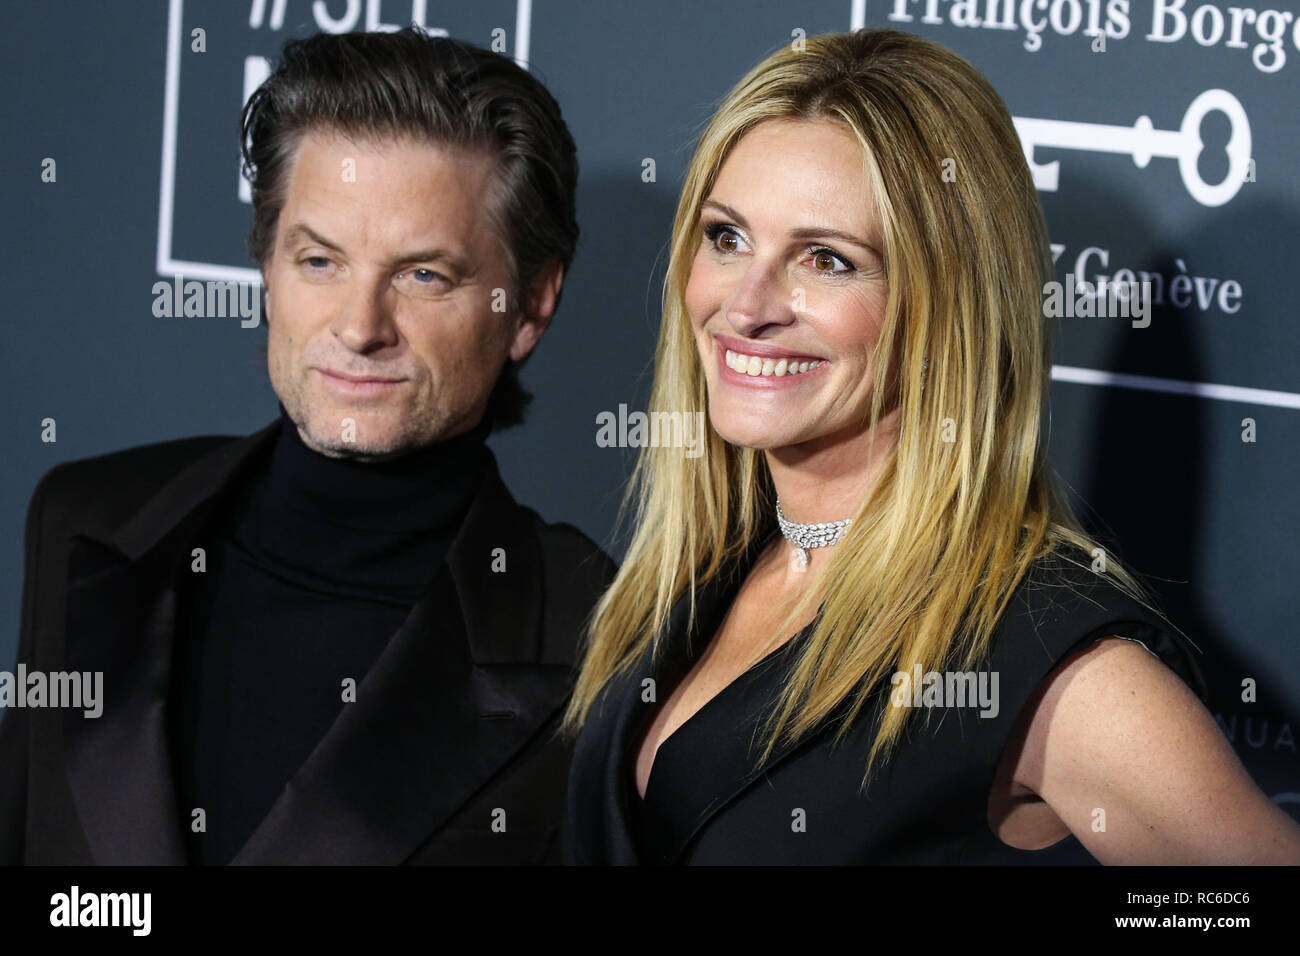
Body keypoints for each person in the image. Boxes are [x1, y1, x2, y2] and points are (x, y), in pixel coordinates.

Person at [560, 27, 1300, 865]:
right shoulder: (707, 572)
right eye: (727, 237)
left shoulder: (1035, 646)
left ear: (949, 306)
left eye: (827, 260)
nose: (748, 303)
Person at [0, 27, 614, 865]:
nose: (360, 327)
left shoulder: (599, 635)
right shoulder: (89, 516)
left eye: (424, 275)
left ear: (530, 307)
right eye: (320, 260)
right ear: (267, 265)